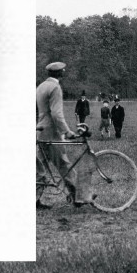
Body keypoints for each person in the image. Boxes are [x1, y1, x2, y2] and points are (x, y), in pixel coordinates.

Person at [36, 61, 95, 208]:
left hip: (41, 129)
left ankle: (35, 200)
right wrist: (67, 132)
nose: (64, 72)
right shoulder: (55, 87)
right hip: (51, 131)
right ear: (59, 73)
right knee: (63, 164)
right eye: (63, 70)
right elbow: (56, 114)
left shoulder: (41, 86)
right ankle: (80, 196)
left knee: (40, 166)